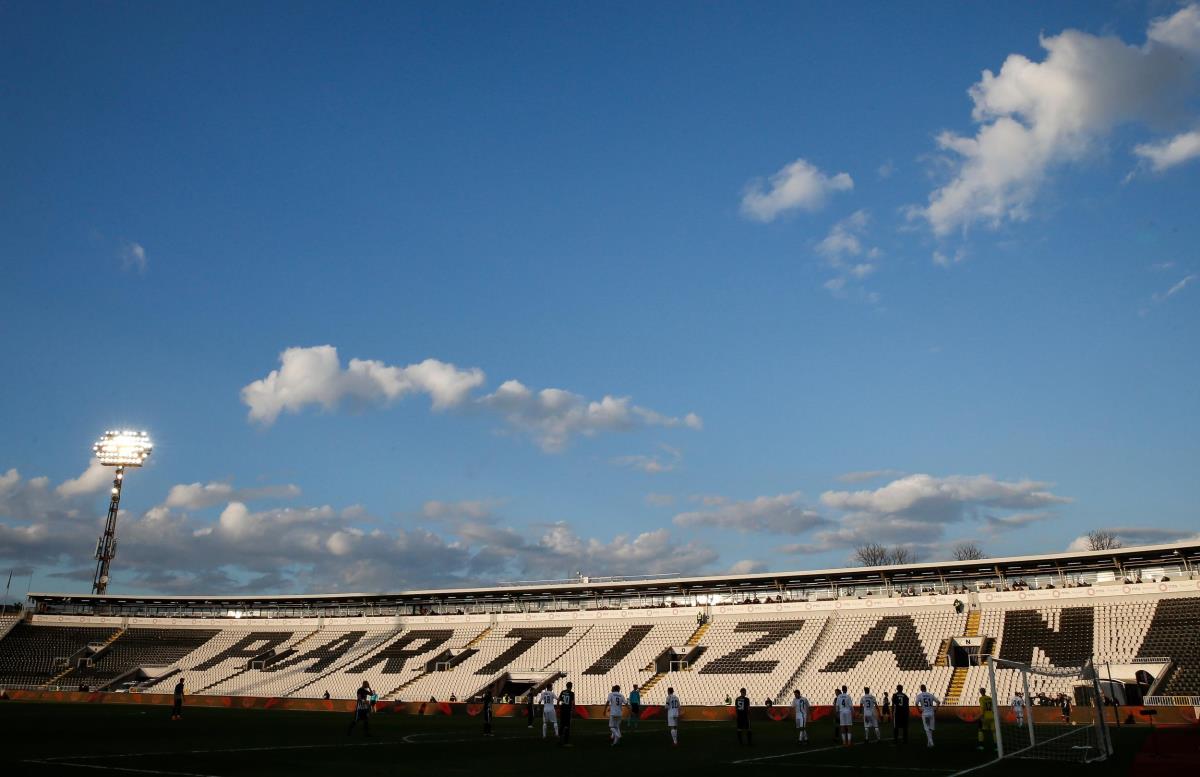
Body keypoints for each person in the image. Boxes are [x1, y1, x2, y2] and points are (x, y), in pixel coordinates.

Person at [558, 681, 576, 747]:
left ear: (566, 686)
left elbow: (558, 700)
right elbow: (573, 702)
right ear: (571, 687)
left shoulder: (562, 692)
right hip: (568, 711)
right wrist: (573, 710)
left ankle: (559, 739)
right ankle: (566, 742)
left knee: (562, 725)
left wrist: (558, 708)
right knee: (567, 726)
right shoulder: (571, 693)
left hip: (562, 710)